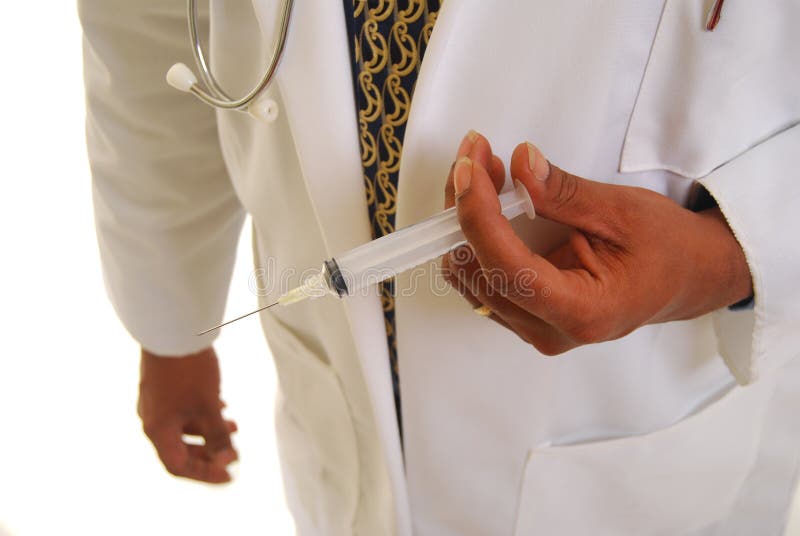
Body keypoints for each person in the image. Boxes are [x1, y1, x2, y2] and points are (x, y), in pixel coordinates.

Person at [79, 0, 800, 534]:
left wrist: (728, 255)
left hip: (641, 419)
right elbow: (146, 38)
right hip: (342, 418)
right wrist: (168, 318)